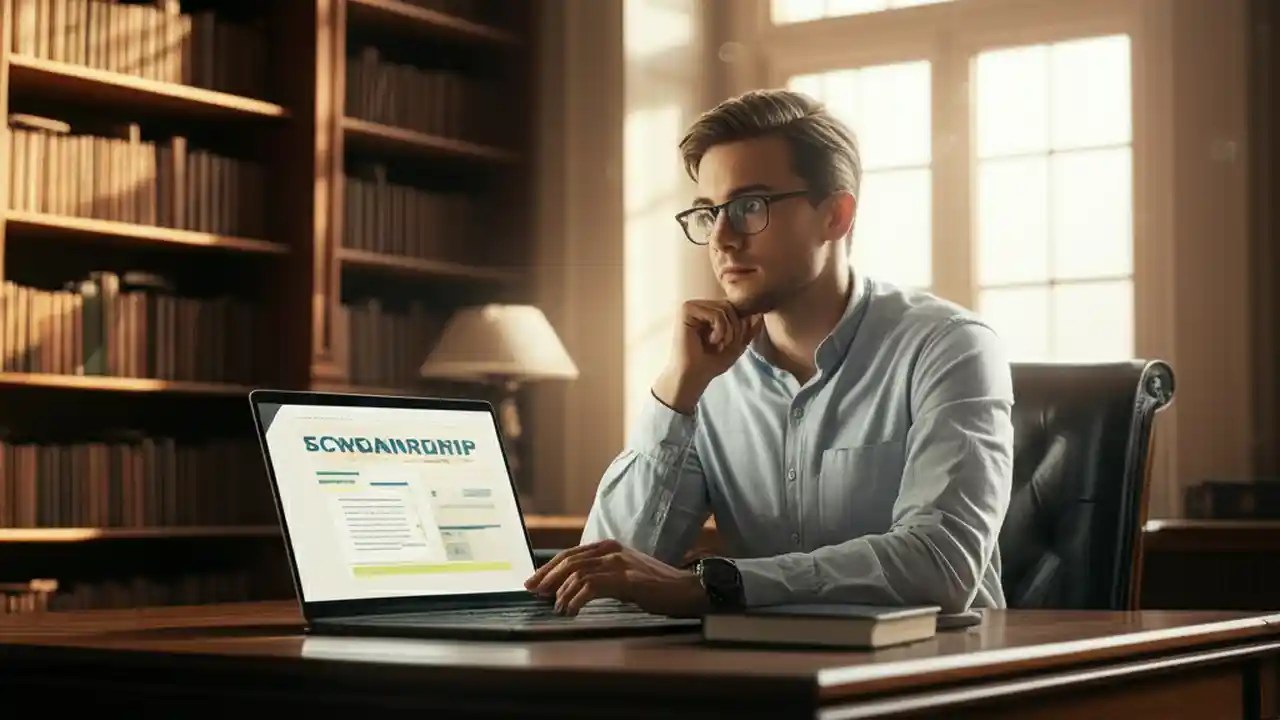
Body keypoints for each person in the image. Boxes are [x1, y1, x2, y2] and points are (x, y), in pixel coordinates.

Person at [524, 88, 1014, 618]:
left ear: (836, 216)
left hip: (934, 680)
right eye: (709, 213)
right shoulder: (707, 375)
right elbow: (600, 577)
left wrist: (715, 586)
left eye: (749, 207)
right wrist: (675, 394)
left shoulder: (949, 346)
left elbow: (940, 566)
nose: (723, 238)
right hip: (764, 675)